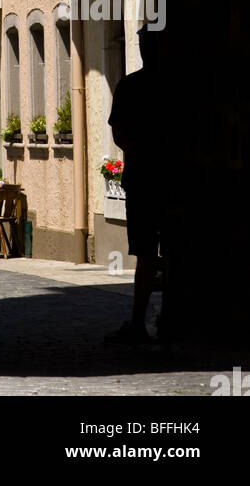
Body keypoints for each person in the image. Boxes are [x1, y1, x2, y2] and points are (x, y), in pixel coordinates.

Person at [106, 25, 167, 345]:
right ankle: (166, 319)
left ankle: (139, 322)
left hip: (142, 180)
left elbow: (118, 134)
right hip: (169, 180)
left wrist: (140, 152)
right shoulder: (175, 87)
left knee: (144, 253)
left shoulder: (130, 86)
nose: (143, 48)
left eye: (145, 42)